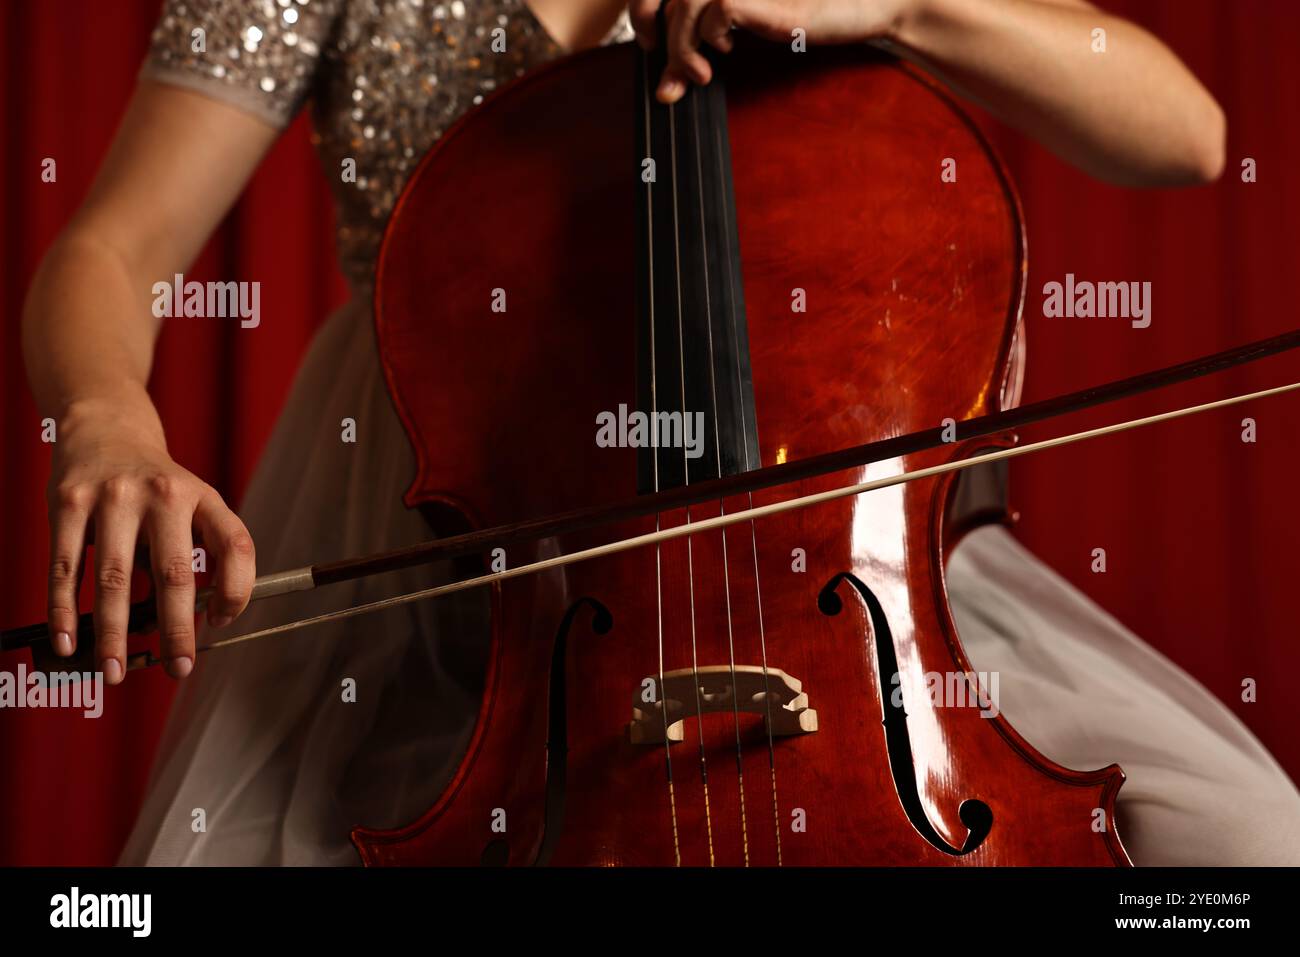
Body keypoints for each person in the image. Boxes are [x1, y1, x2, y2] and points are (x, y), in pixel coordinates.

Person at [21, 0, 1300, 865]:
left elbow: (1188, 134)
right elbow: (114, 245)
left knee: (1251, 842)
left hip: (833, 570)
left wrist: (904, 6)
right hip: (464, 579)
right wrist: (107, 417)